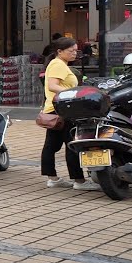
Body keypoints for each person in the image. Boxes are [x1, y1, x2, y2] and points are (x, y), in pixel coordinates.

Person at [42, 36, 92, 190]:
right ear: (59, 51)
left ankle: (53, 178)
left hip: (56, 108)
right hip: (63, 109)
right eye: (71, 51)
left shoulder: (59, 63)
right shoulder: (58, 64)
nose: (74, 53)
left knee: (52, 144)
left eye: (76, 51)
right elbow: (52, 86)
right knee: (71, 144)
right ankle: (79, 180)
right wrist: (74, 93)